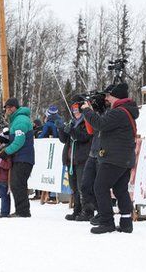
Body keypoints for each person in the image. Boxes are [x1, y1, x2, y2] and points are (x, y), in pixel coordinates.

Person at [82, 83, 138, 234]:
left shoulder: (119, 112)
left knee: (100, 187)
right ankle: (126, 222)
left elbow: (100, 124)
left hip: (114, 158)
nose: (105, 98)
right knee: (120, 190)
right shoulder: (125, 111)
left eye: (108, 95)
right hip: (124, 158)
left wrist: (87, 111)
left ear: (115, 96)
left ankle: (107, 222)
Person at [59, 97, 94, 221]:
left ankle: (87, 210)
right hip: (71, 159)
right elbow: (64, 140)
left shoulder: (87, 122)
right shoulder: (72, 122)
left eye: (76, 109)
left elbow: (85, 137)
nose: (75, 112)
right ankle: (77, 209)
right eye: (73, 109)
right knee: (74, 187)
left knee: (82, 187)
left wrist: (72, 131)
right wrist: (61, 129)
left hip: (82, 158)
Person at [0, 98, 35, 217]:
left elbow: (19, 141)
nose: (7, 110)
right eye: (6, 108)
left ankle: (23, 211)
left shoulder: (20, 120)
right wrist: (5, 138)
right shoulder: (16, 120)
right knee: (18, 184)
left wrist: (6, 152)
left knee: (17, 184)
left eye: (9, 108)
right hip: (20, 157)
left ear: (14, 108)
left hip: (23, 158)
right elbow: (15, 139)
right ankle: (22, 210)